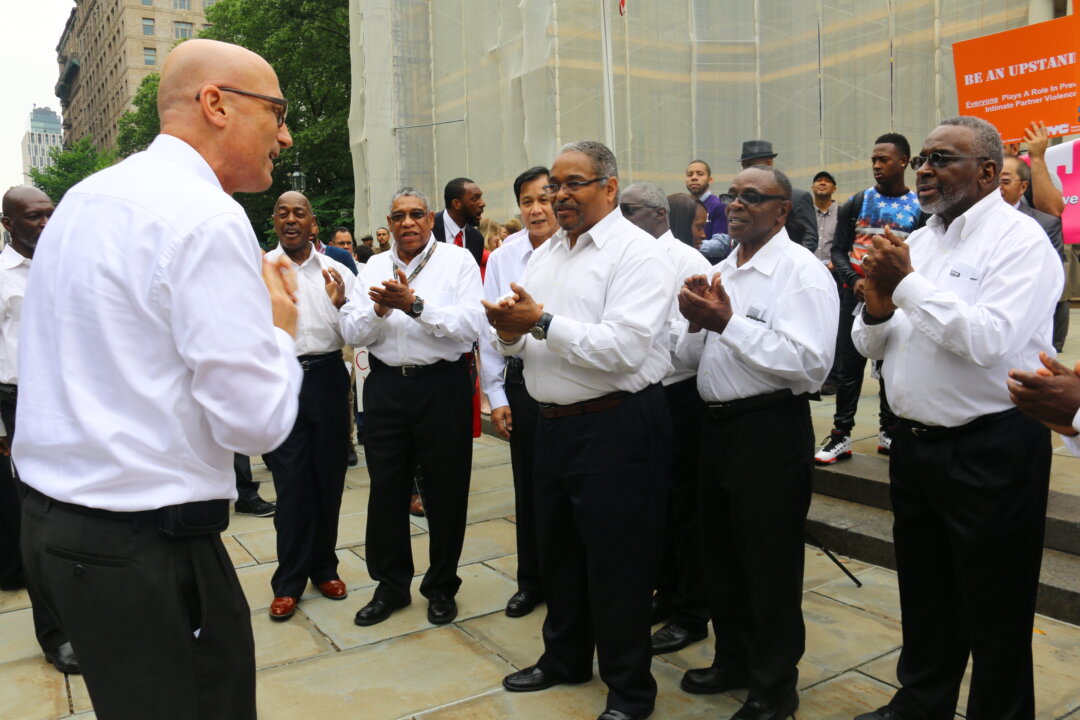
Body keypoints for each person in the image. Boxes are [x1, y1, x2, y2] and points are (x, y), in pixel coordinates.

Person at [13, 38, 302, 719]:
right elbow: (253, 423)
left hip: (61, 532)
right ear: (216, 104)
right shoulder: (203, 216)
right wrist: (280, 332)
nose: (285, 135)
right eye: (277, 111)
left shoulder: (86, 197)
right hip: (144, 547)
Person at [851, 116, 1062, 720]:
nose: (923, 169)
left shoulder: (1019, 242)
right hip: (915, 448)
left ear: (990, 173)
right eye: (922, 158)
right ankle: (921, 702)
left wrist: (907, 287)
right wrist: (874, 309)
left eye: (942, 159)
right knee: (926, 594)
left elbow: (989, 340)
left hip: (989, 449)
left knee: (995, 609)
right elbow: (873, 348)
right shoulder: (920, 239)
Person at [486, 141, 674, 720]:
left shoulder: (637, 255)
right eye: (552, 188)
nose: (559, 196)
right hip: (552, 425)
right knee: (559, 553)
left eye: (572, 184)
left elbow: (623, 349)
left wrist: (538, 321)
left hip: (615, 425)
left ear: (609, 188)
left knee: (617, 563)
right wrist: (510, 331)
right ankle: (564, 657)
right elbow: (513, 342)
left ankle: (629, 689)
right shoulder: (546, 254)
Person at [676, 165, 837, 720]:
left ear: (781, 210)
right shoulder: (722, 269)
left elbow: (812, 367)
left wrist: (728, 323)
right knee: (720, 554)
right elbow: (688, 357)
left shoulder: (802, 274)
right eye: (732, 195)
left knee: (768, 565)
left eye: (752, 196)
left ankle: (774, 687)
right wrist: (695, 325)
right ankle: (735, 658)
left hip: (769, 431)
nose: (737, 204)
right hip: (715, 429)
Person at [342, 188, 483, 628]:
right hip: (385, 386)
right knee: (386, 489)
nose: (408, 223)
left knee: (445, 489)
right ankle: (391, 586)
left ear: (430, 219)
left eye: (417, 214)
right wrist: (381, 309)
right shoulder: (373, 268)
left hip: (441, 386)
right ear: (389, 220)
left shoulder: (457, 263)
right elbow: (351, 327)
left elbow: (469, 328)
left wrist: (416, 306)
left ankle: (441, 586)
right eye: (399, 215)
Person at [620, 182, 712, 657]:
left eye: (627, 210)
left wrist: (637, 341)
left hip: (680, 395)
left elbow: (689, 341)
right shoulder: (625, 255)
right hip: (640, 398)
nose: (620, 216)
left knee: (685, 510)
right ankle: (666, 592)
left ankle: (692, 611)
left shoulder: (688, 262)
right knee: (652, 507)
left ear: (658, 214)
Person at [264, 191, 355, 621]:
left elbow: (358, 325)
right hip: (282, 381)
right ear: (275, 222)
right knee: (292, 485)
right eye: (283, 213)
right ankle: (288, 581)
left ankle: (324, 567)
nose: (291, 219)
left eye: (299, 212)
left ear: (312, 223)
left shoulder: (336, 270)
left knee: (328, 479)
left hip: (328, 379)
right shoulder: (260, 271)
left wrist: (342, 304)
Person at [0, 186, 79, 676]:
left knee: (82, 516)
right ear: (8, 223)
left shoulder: (66, 264)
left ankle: (90, 615)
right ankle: (56, 634)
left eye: (51, 214)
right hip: (20, 404)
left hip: (72, 398)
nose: (47, 224)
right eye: (34, 217)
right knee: (39, 525)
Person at [479, 165, 558, 619]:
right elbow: (488, 328)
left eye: (544, 198)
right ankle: (532, 581)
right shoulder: (505, 256)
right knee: (527, 486)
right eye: (527, 201)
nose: (536, 208)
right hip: (521, 380)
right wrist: (498, 396)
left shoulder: (574, 250)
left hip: (568, 380)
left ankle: (569, 576)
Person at [817, 133, 922, 465]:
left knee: (890, 367)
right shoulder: (858, 202)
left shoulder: (919, 208)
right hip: (855, 298)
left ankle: (888, 431)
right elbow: (838, 249)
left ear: (903, 161)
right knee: (850, 369)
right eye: (874, 159)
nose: (877, 165)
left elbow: (923, 254)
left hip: (898, 303)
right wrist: (855, 281)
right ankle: (841, 436)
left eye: (884, 159)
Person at [999, 155, 1067, 351]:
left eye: (1004, 181)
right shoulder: (970, 221)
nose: (997, 188)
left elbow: (1050, 280)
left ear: (1023, 187)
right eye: (993, 181)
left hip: (1028, 328)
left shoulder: (1045, 224)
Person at [738, 140, 818, 252]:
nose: (747, 171)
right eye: (745, 166)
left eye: (751, 165)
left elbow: (810, 239)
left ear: (768, 163)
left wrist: (788, 261)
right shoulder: (741, 200)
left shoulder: (798, 197)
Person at [433, 177, 485, 265]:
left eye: (480, 197)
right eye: (475, 198)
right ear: (456, 204)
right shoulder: (428, 230)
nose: (482, 203)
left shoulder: (477, 239)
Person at [685, 159, 727, 238]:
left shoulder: (719, 206)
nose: (694, 178)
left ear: (710, 180)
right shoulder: (683, 206)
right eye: (689, 174)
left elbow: (720, 245)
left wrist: (690, 246)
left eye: (700, 174)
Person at [811, 171, 838, 267]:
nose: (822, 183)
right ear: (812, 188)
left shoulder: (842, 213)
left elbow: (848, 242)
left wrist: (837, 263)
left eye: (827, 181)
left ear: (834, 189)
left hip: (835, 273)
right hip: (808, 270)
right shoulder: (805, 213)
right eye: (818, 180)